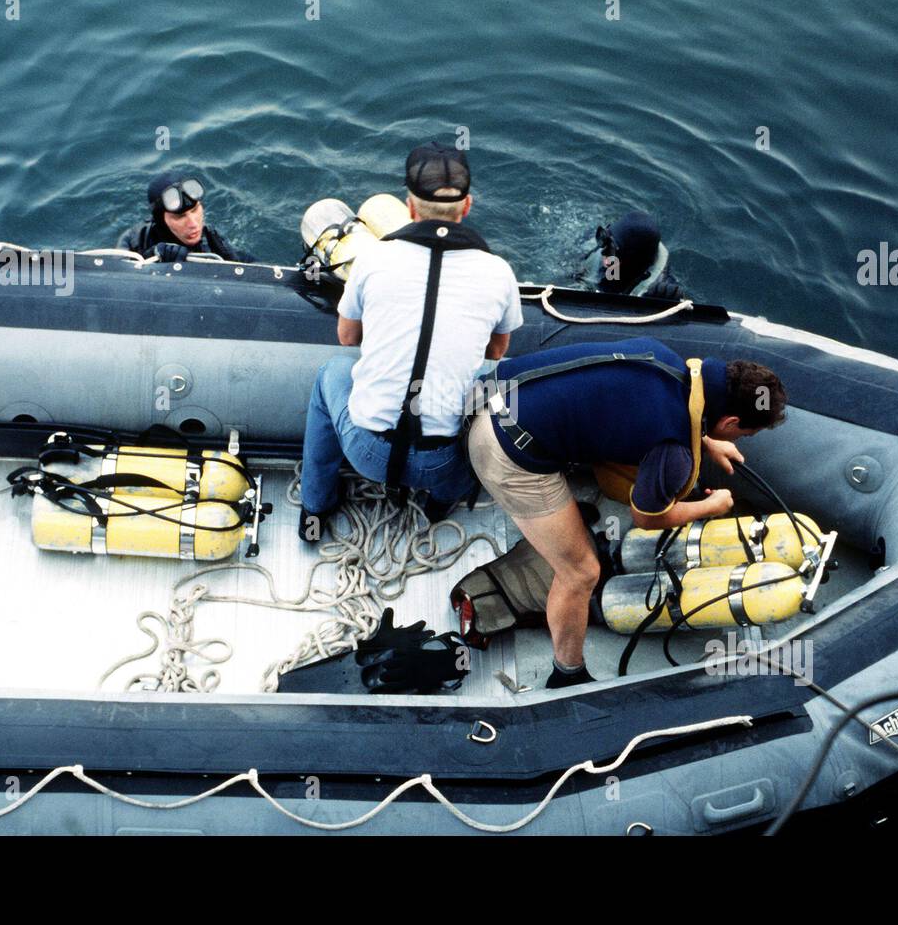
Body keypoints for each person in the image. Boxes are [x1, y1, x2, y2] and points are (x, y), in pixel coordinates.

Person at [466, 337, 786, 688]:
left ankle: (564, 516)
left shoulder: (664, 356)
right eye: (744, 433)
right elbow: (647, 518)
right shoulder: (674, 452)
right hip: (503, 451)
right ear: (730, 421)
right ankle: (567, 673)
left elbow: (658, 409)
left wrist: (709, 441)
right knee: (582, 572)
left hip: (496, 400)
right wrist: (714, 505)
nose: (741, 439)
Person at [298, 141, 523, 539]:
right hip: (442, 463)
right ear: (467, 206)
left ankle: (315, 508)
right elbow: (497, 351)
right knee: (484, 396)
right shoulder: (498, 272)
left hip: (368, 451)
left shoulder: (372, 259)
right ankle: (441, 503)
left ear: (410, 208)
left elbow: (347, 336)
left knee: (330, 373)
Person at [116, 170, 254, 262]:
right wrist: (151, 258)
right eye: (180, 216)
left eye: (195, 210)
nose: (193, 224)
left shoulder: (213, 241)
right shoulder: (133, 241)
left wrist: (232, 259)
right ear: (161, 220)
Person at [572, 210, 683, 300]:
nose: (604, 254)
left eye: (613, 251)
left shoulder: (659, 287)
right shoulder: (597, 246)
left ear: (631, 262)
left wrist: (661, 301)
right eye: (606, 243)